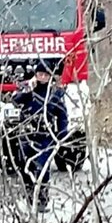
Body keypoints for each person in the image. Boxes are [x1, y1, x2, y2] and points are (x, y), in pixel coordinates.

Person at [9, 62, 69, 211]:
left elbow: (62, 115)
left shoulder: (54, 93)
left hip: (45, 136)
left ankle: (42, 201)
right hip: (27, 135)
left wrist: (61, 136)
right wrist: (29, 89)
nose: (42, 77)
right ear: (35, 75)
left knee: (43, 169)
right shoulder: (27, 88)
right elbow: (15, 100)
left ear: (49, 77)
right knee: (26, 168)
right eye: (40, 74)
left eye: (45, 75)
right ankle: (30, 198)